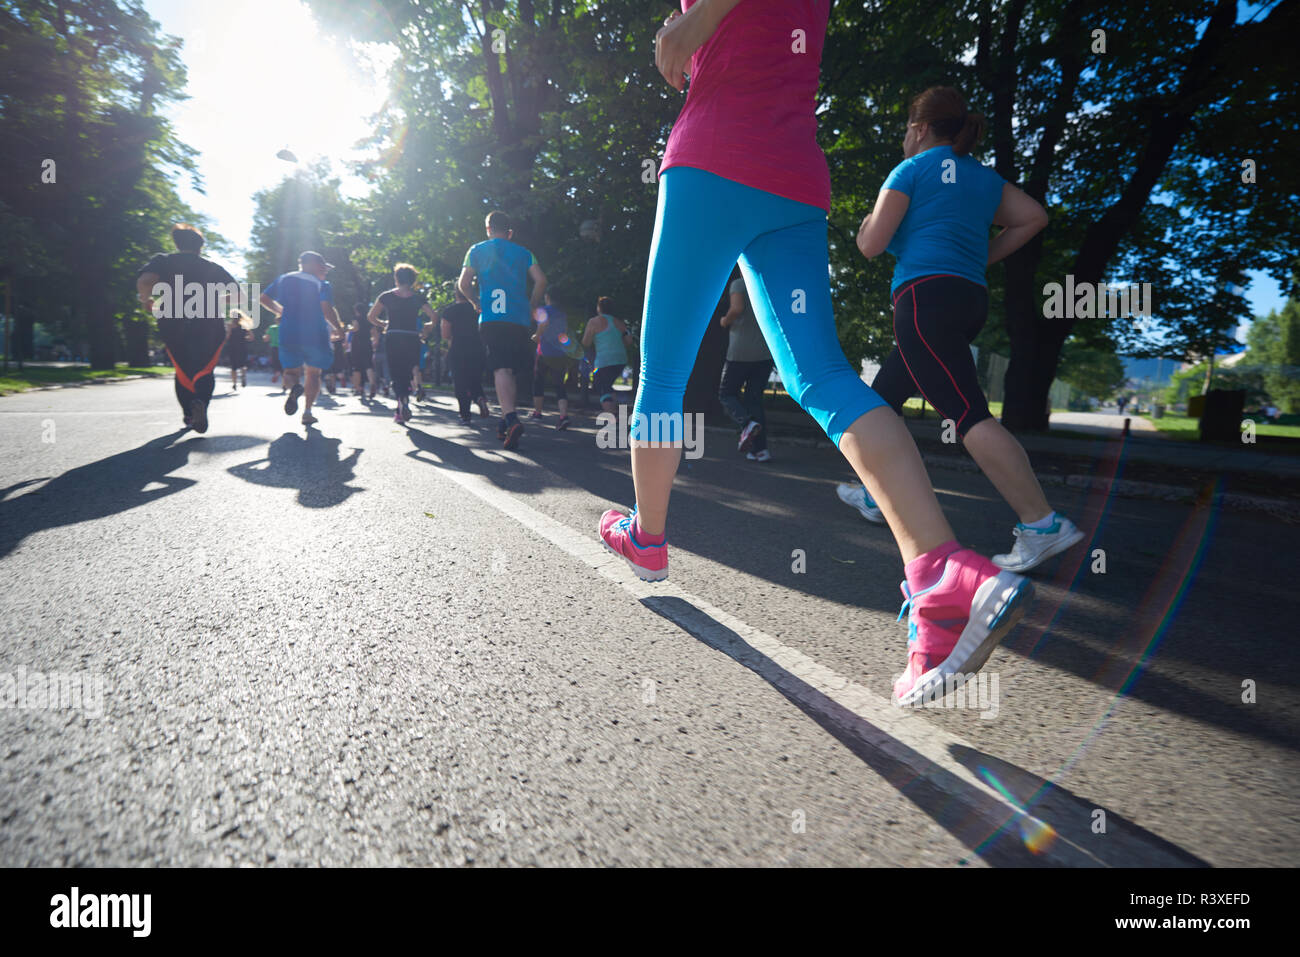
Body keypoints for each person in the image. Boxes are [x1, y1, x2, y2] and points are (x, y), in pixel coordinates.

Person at [598, 0, 1034, 706]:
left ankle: (646, 537)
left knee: (664, 373)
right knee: (825, 374)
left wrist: (686, 25)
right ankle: (941, 570)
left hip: (712, 156)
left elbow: (687, 45)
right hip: (794, 176)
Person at [856, 85, 1085, 573]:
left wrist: (864, 225)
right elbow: (1033, 218)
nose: (904, 138)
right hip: (966, 299)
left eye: (906, 129)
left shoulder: (911, 170)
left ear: (919, 129)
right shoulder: (983, 178)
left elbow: (872, 245)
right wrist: (980, 257)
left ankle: (1041, 524)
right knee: (883, 397)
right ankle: (877, 496)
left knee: (969, 415)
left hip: (923, 301)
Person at [457, 210, 548, 449]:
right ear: (510, 232)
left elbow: (463, 283)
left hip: (492, 318)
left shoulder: (477, 250)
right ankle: (504, 422)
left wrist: (475, 301)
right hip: (518, 319)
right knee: (509, 369)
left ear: (488, 229)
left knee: (501, 369)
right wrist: (532, 305)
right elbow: (541, 281)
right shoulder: (524, 253)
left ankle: (510, 418)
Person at [136, 223, 236, 434]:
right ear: (201, 246)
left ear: (177, 243)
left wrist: (146, 299)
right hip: (208, 322)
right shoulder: (212, 266)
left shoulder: (163, 261)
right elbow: (236, 294)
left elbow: (146, 280)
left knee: (182, 369)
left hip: (172, 320)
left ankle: (190, 414)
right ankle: (200, 402)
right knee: (205, 369)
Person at [259, 250, 344, 427]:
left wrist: (280, 311)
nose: (325, 270)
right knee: (314, 374)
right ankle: (307, 412)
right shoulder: (321, 284)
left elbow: (263, 298)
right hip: (315, 334)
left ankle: (294, 388)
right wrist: (339, 329)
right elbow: (326, 309)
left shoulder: (283, 279)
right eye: (322, 266)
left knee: (290, 373)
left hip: (289, 331)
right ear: (310, 264)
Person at [368, 263, 437, 425]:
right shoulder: (418, 298)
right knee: (408, 370)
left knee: (396, 372)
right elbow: (434, 316)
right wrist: (427, 328)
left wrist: (384, 324)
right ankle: (403, 401)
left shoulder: (386, 296)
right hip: (412, 337)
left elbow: (371, 316)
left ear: (396, 278)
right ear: (413, 280)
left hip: (393, 337)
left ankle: (402, 402)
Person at [717, 269, 774, 462]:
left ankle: (747, 423)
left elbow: (737, 309)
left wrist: (725, 321)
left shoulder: (740, 283)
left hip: (741, 350)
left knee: (726, 393)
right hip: (765, 351)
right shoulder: (768, 282)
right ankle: (760, 450)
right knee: (754, 399)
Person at [441, 288, 490, 425]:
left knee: (460, 381)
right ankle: (479, 397)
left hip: (458, 348)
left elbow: (445, 334)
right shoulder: (479, 309)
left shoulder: (449, 311)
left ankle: (465, 415)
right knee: (475, 378)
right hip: (477, 348)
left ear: (456, 293)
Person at [531, 289, 577, 430]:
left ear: (547, 297)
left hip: (544, 351)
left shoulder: (543, 309)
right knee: (559, 385)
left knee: (539, 381)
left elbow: (543, 324)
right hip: (559, 353)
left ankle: (537, 412)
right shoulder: (562, 314)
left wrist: (537, 336)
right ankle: (563, 416)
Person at [582, 297, 634, 418]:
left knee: (602, 388)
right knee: (609, 386)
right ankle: (613, 412)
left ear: (599, 308)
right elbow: (629, 341)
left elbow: (586, 342)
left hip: (604, 360)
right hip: (620, 359)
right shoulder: (619, 323)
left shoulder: (593, 321)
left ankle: (612, 416)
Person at [346, 304, 374, 398]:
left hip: (357, 344)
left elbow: (356, 328)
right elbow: (374, 332)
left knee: (357, 367)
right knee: (368, 365)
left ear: (356, 311)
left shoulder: (356, 318)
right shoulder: (369, 319)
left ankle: (358, 388)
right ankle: (372, 383)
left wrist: (348, 329)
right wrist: (375, 341)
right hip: (367, 343)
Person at [223, 311, 253, 391]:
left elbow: (227, 336)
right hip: (243, 347)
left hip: (232, 348)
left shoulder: (229, 325)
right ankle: (243, 375)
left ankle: (234, 384)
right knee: (243, 364)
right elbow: (251, 338)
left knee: (233, 367)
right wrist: (244, 338)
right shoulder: (244, 326)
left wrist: (223, 342)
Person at [263, 319, 283, 390]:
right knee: (284, 365)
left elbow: (266, 339)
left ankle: (277, 373)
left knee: (276, 363)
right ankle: (284, 385)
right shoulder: (287, 327)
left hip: (274, 348)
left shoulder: (272, 327)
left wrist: (265, 334)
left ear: (276, 320)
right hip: (285, 348)